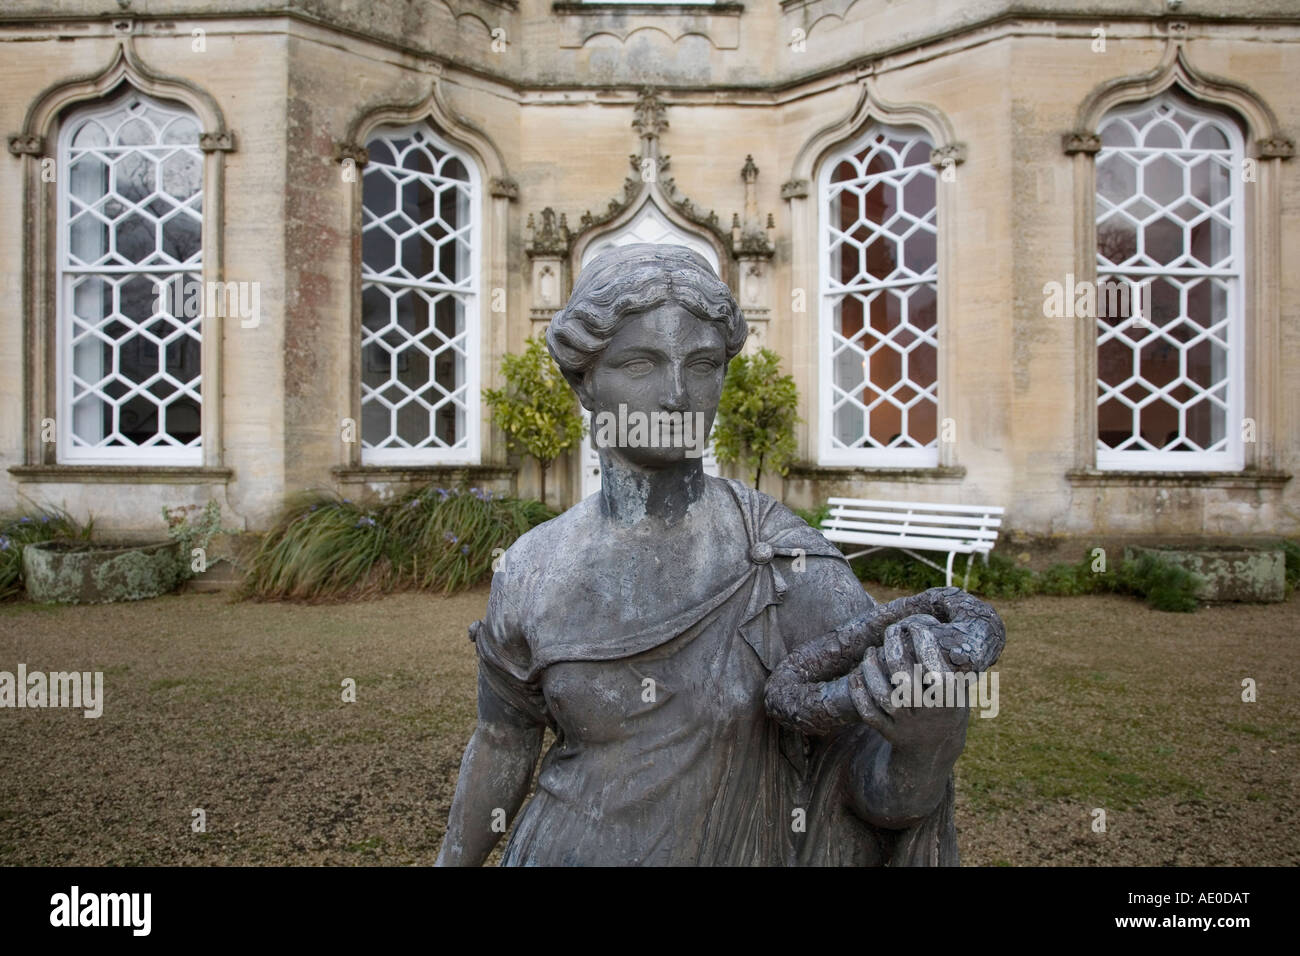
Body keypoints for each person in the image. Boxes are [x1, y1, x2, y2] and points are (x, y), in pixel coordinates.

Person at [436, 243, 999, 866]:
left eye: (702, 364)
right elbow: (502, 739)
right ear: (585, 380)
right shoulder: (531, 569)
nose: (678, 395)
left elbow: (873, 796)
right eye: (642, 363)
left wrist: (928, 746)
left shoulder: (783, 563)